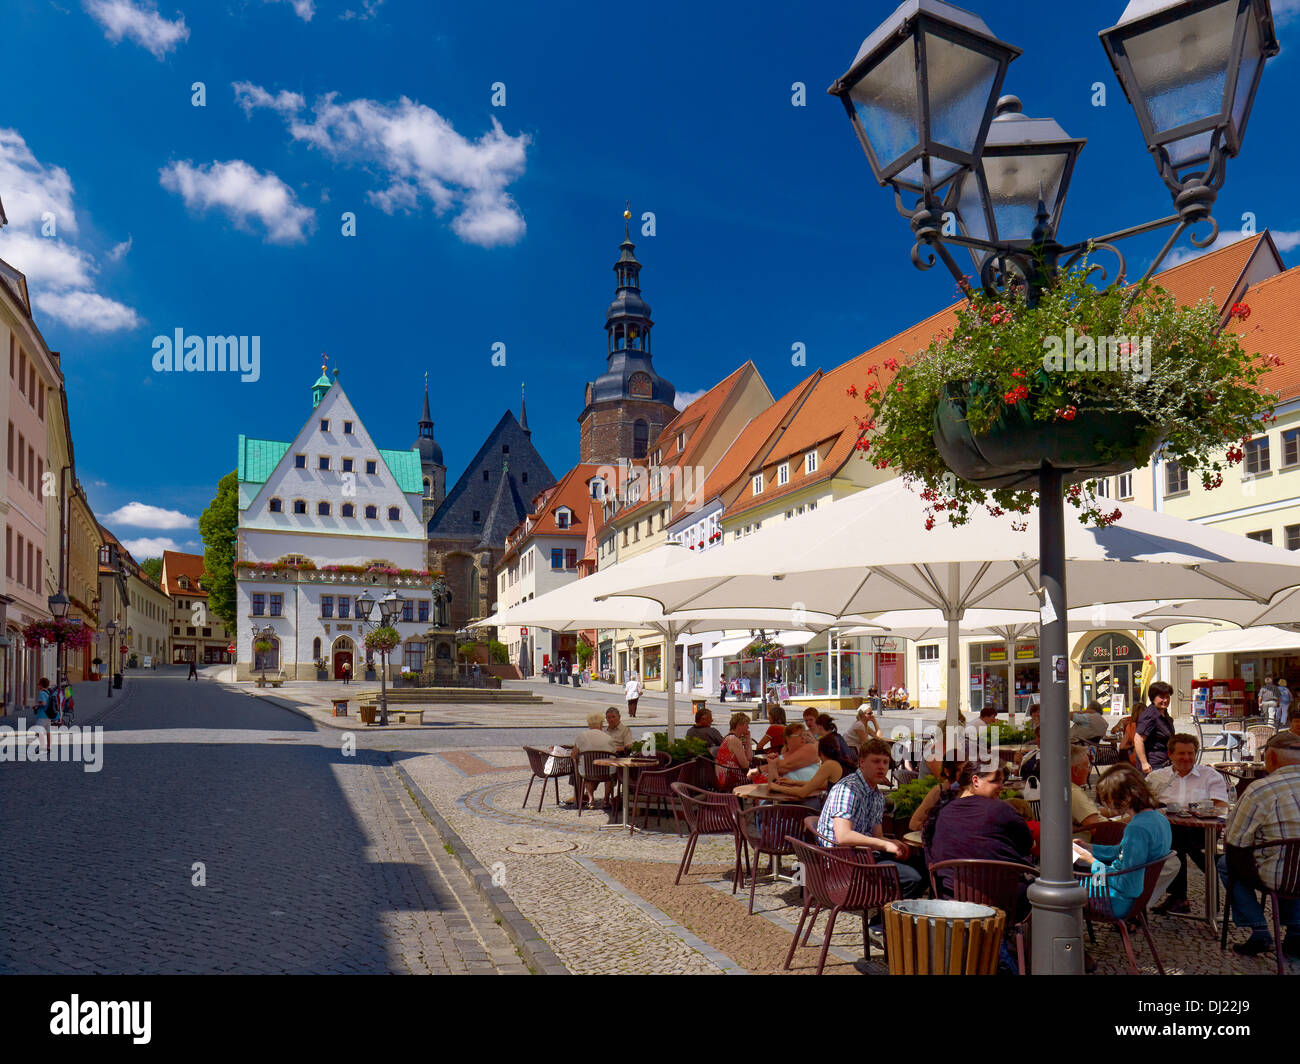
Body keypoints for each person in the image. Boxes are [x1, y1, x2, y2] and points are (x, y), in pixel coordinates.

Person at [1217, 731, 1300, 957]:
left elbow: (1234, 841)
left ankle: (1260, 930)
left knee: (1227, 863)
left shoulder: (1261, 789)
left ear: (1270, 758)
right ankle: (1295, 933)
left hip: (1278, 876)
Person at [814, 738, 924, 898]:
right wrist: (885, 845)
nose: (881, 767)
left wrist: (892, 843)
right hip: (842, 861)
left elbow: (876, 836)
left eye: (885, 762)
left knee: (924, 866)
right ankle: (882, 920)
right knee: (913, 879)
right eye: (876, 761)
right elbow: (843, 836)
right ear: (862, 763)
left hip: (863, 854)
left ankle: (901, 916)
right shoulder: (848, 789)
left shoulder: (877, 795)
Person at [1145, 733, 1231, 914]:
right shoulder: (1157, 777)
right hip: (1167, 829)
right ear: (1170, 754)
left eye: (1190, 753)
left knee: (1175, 845)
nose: (1186, 758)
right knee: (1175, 842)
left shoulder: (1210, 776)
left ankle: (1179, 897)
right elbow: (1143, 804)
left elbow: (1222, 807)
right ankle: (1189, 894)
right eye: (1181, 754)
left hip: (1202, 831)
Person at [926, 762, 1035, 903]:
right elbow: (1028, 846)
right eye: (995, 781)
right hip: (1002, 905)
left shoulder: (943, 812)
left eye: (1002, 781)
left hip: (952, 902)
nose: (1001, 787)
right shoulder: (1001, 809)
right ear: (975, 780)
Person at [1074, 765, 1172, 920]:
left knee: (1052, 889)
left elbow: (1129, 885)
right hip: (1125, 897)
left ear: (1124, 797)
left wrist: (1091, 861)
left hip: (1116, 900)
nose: (1105, 805)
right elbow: (1123, 853)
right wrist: (1090, 848)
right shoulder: (1159, 819)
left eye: (1106, 799)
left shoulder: (1136, 828)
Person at [768, 734, 853, 806]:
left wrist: (778, 788)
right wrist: (794, 782)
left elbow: (802, 793)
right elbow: (822, 785)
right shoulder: (841, 763)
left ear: (821, 752)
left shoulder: (829, 764)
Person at [573, 712, 618, 808]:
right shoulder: (608, 738)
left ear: (589, 725)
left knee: (586, 776)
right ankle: (606, 800)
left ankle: (590, 799)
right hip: (606, 772)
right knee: (610, 777)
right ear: (601, 725)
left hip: (588, 772)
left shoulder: (581, 736)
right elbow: (614, 753)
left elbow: (573, 755)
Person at [909, 760, 965, 833]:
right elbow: (914, 824)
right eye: (958, 770)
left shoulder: (977, 793)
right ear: (947, 771)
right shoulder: (941, 791)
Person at [1134, 680, 1176, 773]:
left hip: (1165, 762)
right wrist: (1144, 763)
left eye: (1167, 697)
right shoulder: (1150, 715)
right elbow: (1138, 739)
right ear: (1153, 698)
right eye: (1161, 697)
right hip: (1153, 765)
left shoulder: (1163, 713)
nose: (1165, 700)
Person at [1070, 743, 1112, 834]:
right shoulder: (1074, 793)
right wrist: (1133, 821)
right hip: (1096, 843)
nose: (1089, 771)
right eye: (1087, 766)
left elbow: (1089, 812)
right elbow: (1100, 831)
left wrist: (1118, 810)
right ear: (1075, 771)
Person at [715, 712, 752, 788]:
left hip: (725, 776)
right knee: (763, 778)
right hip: (730, 778)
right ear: (739, 725)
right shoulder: (734, 740)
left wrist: (748, 739)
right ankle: (756, 799)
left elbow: (749, 758)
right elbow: (745, 765)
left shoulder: (730, 738)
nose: (748, 727)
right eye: (747, 724)